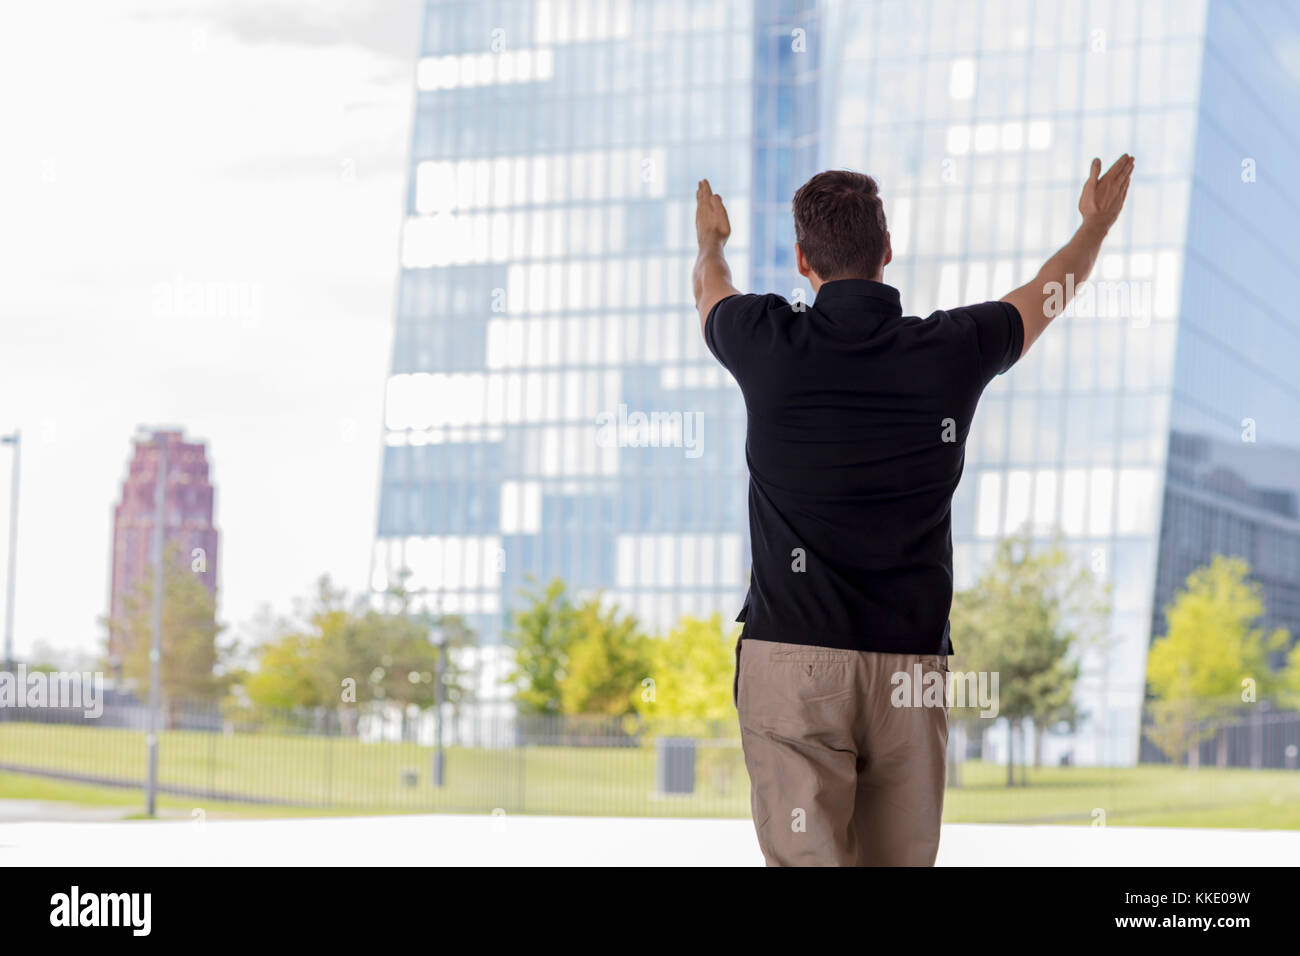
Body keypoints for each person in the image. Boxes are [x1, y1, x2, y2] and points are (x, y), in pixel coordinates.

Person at [692, 155, 1134, 866]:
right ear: (887, 253)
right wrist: (1095, 227)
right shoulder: (951, 349)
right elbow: (1048, 295)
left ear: (803, 258)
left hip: (794, 660)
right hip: (909, 668)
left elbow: (711, 290)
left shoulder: (763, 338)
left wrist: (711, 240)